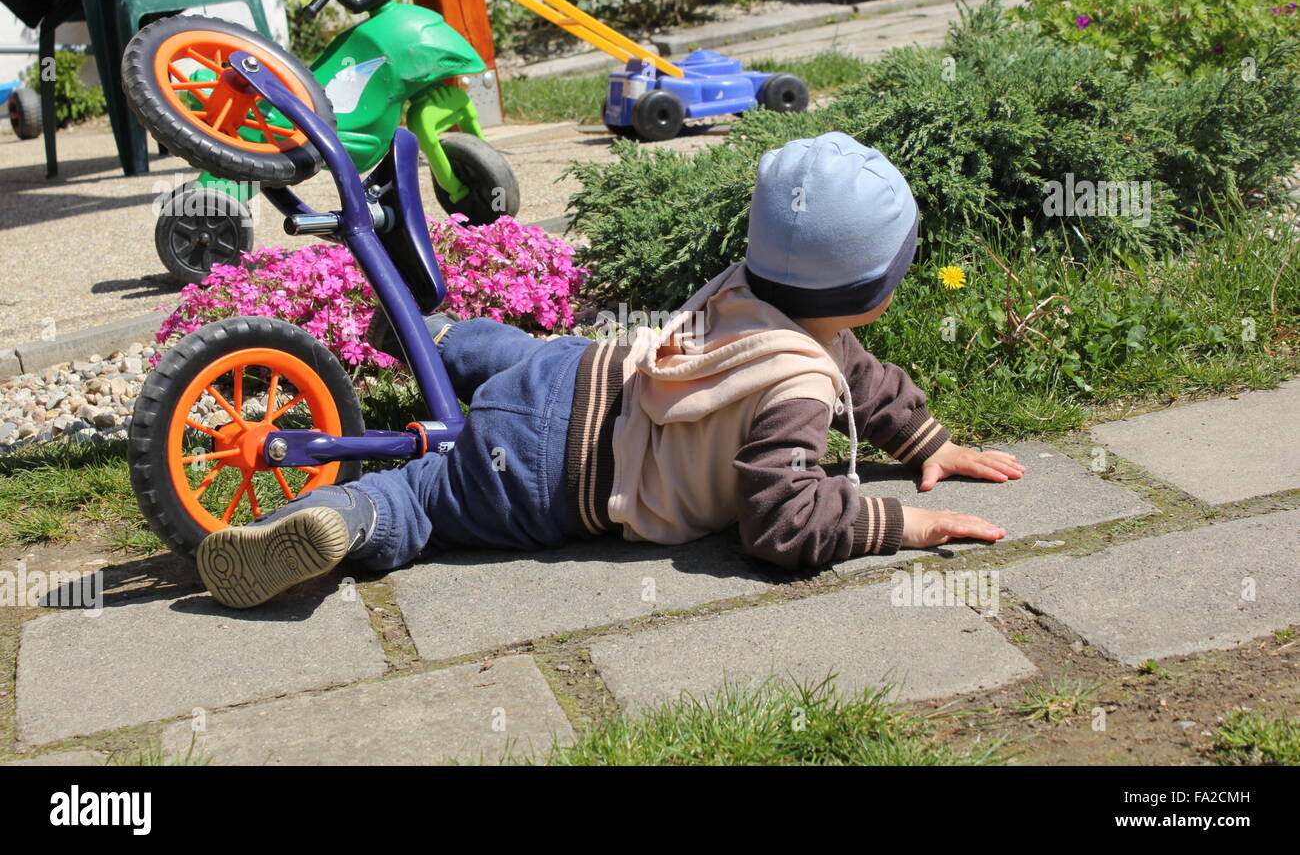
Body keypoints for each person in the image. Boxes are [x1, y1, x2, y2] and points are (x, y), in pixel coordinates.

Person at [194, 132, 1024, 609]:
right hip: (555, 477)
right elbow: (784, 520)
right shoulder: (801, 383)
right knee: (425, 497)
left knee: (518, 355)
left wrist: (924, 441)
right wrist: (906, 524)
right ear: (877, 292)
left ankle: (428, 337)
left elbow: (859, 374)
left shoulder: (751, 287)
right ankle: (345, 519)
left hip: (583, 375)